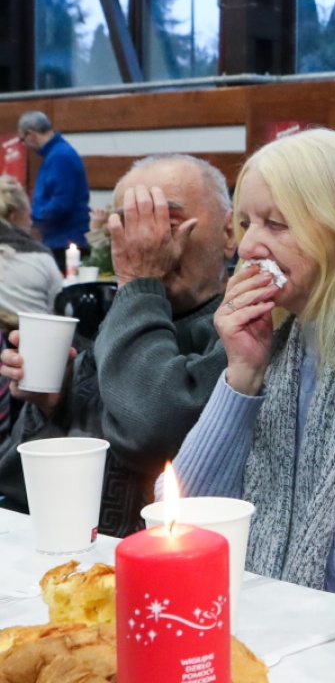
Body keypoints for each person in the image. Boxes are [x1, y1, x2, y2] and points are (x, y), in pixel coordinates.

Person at [169, 128, 335, 599]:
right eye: (245, 224)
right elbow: (183, 518)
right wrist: (241, 375)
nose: (248, 248)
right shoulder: (275, 349)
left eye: (276, 224)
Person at [0, 153, 236, 534]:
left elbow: (151, 435)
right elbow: (19, 486)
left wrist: (140, 281)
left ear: (230, 233)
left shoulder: (241, 329)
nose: (146, 241)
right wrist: (52, 406)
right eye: (131, 227)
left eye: (167, 222)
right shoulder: (117, 320)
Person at [17, 111, 91, 271]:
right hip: (59, 239)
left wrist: (30, 220)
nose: (25, 145)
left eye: (23, 140)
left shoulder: (60, 157)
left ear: (31, 134)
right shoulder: (56, 154)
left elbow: (61, 205)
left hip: (65, 241)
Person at [0, 175, 63, 318]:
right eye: (28, 216)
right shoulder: (40, 259)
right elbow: (59, 305)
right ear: (14, 217)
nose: (30, 223)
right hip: (34, 335)